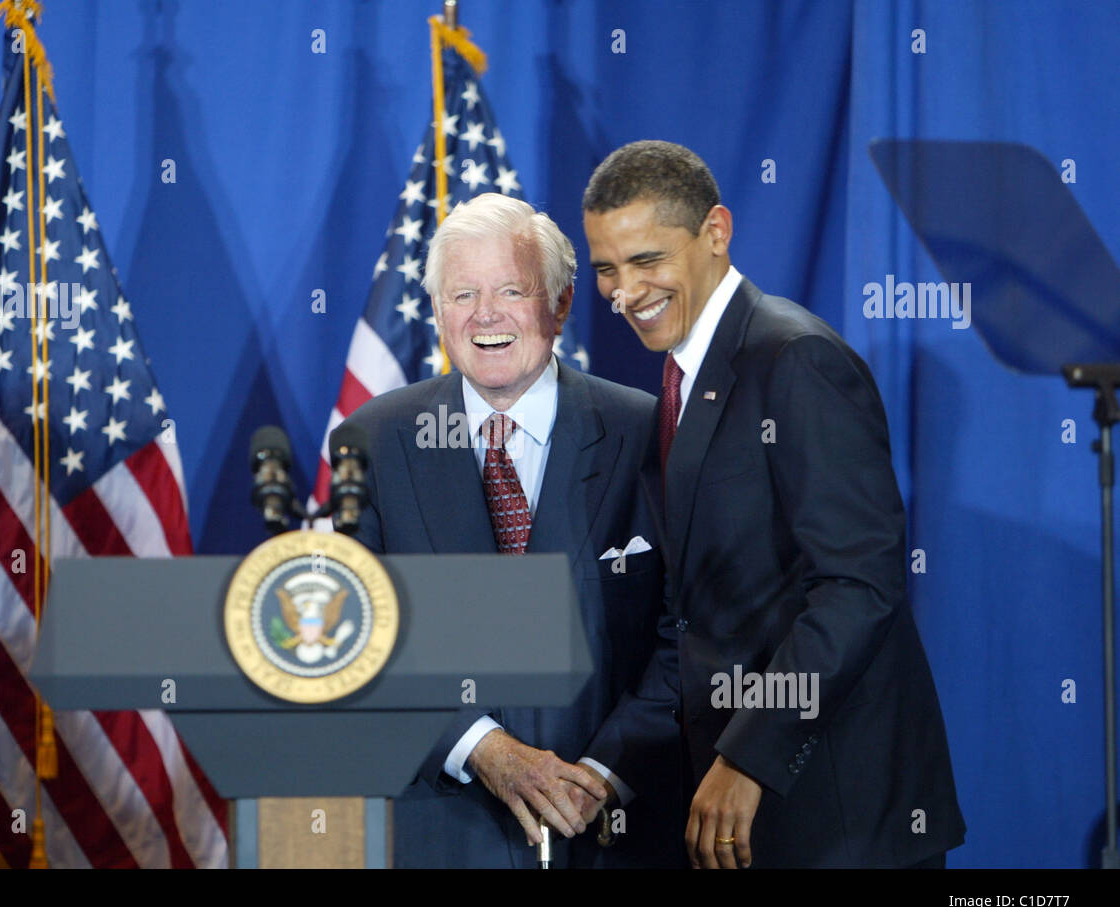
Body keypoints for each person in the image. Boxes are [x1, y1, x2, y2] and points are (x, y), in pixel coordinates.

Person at [578, 140, 966, 868]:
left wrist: (750, 755)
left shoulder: (795, 359)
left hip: (836, 816)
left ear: (716, 233)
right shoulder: (684, 377)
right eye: (606, 268)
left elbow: (858, 587)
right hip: (749, 816)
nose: (624, 291)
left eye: (647, 261)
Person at [339, 192, 680, 868]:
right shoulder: (374, 441)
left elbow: (691, 629)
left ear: (559, 302)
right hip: (442, 835)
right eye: (462, 294)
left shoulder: (648, 433)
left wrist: (604, 773)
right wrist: (482, 748)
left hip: (614, 831)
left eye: (511, 290)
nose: (485, 315)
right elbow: (355, 641)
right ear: (437, 312)